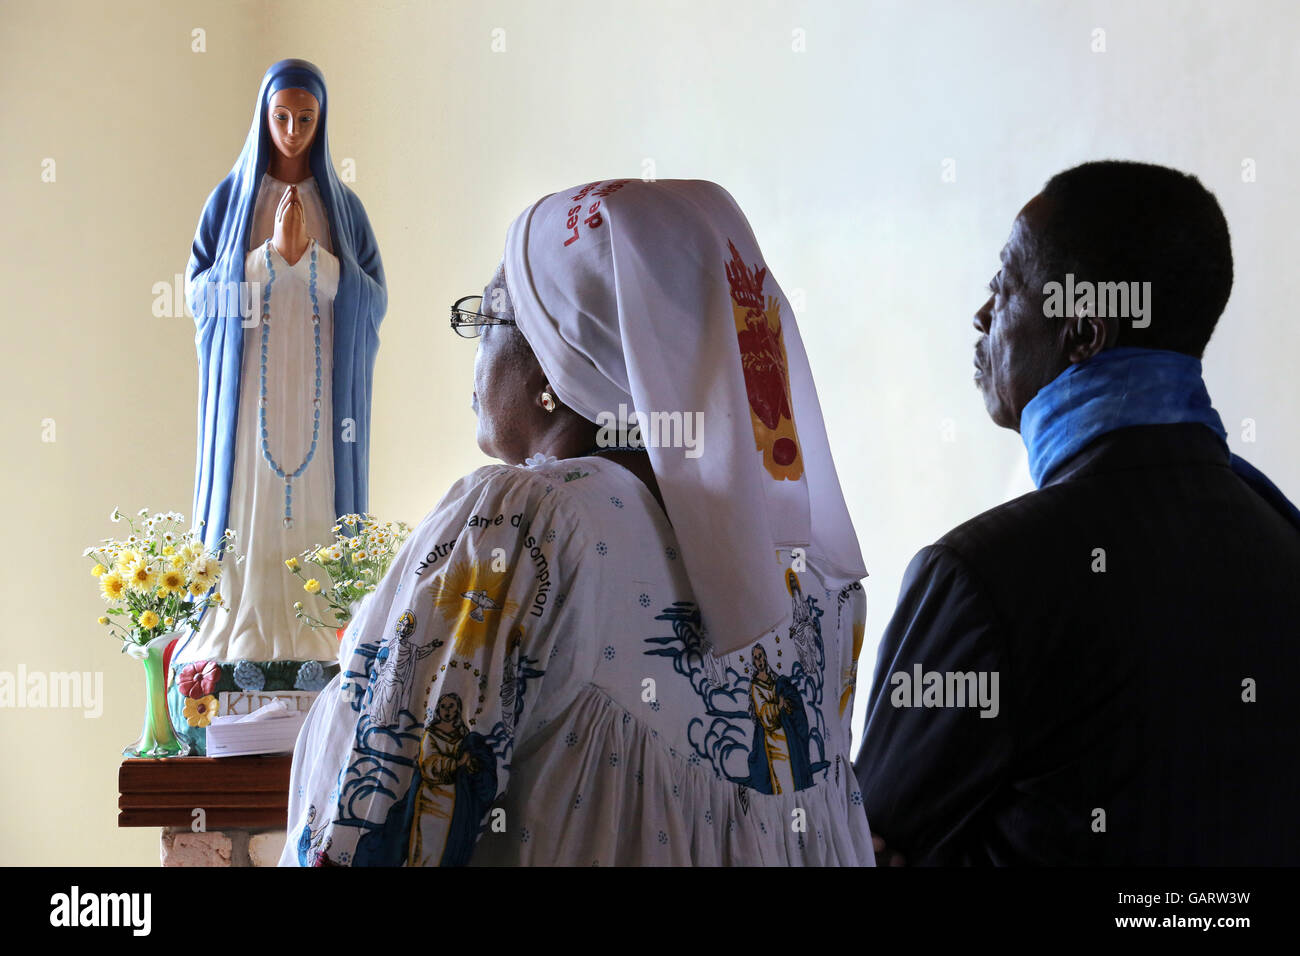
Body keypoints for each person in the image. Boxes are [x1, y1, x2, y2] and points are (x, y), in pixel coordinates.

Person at [281, 178, 874, 866]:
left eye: (491, 318)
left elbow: (373, 835)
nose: (475, 354)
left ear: (556, 359)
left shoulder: (529, 523)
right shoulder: (817, 580)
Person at [854, 161, 1300, 866]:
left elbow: (865, 847)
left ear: (1083, 331)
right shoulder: (1283, 537)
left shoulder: (977, 578)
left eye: (1004, 286)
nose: (982, 315)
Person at [174, 59, 387, 705]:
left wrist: (313, 262)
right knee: (252, 503)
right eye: (282, 117)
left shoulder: (343, 209)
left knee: (317, 504)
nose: (293, 130)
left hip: (320, 403)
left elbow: (371, 300)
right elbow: (199, 294)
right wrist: (268, 258)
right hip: (250, 400)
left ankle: (319, 633)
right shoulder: (232, 200)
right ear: (265, 119)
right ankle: (241, 632)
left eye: (306, 119)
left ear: (321, 124)